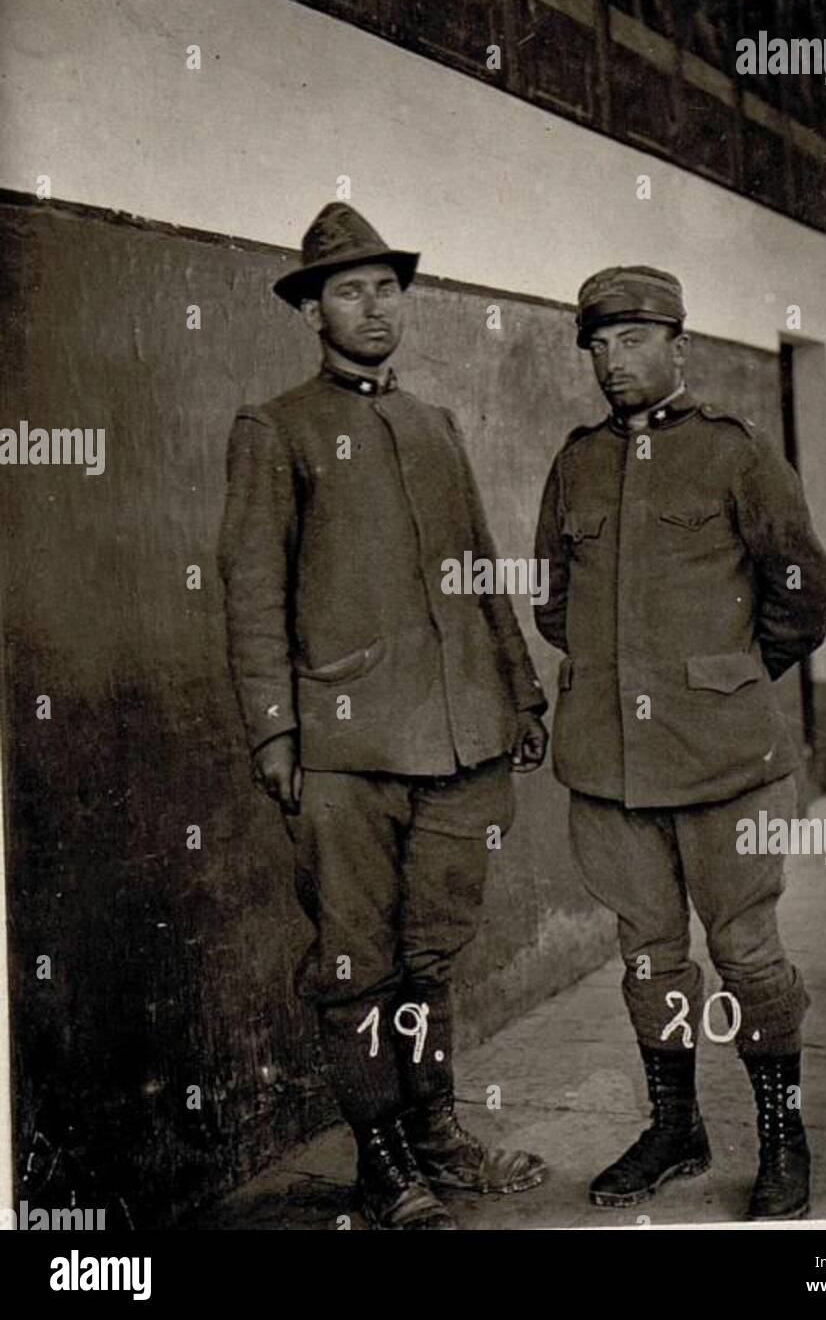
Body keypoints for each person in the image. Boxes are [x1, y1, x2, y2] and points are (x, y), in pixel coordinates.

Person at [219, 202, 549, 1230]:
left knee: (429, 954)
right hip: (346, 747)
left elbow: (482, 569)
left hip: (462, 741)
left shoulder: (434, 424)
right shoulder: (276, 429)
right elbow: (250, 590)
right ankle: (380, 1156)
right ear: (312, 310)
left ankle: (438, 1131)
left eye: (386, 286)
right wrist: (278, 735)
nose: (373, 305)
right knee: (356, 962)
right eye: (349, 289)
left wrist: (520, 688)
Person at [534, 265, 826, 1220]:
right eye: (597, 343)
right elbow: (555, 603)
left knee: (747, 955)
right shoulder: (576, 461)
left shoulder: (736, 454)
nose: (611, 360)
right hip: (611, 771)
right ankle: (676, 1128)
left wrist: (725, 682)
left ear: (679, 346)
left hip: (724, 767)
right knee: (647, 958)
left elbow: (804, 596)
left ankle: (782, 1139)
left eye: (631, 339)